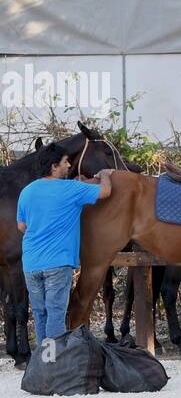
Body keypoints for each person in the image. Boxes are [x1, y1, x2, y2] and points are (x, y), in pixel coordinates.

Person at [16, 143, 113, 344]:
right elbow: (105, 192)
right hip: (57, 264)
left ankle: (44, 359)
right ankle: (56, 362)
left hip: (31, 264)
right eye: (65, 162)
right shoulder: (71, 189)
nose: (69, 165)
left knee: (40, 314)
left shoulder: (27, 191)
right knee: (56, 315)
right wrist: (105, 174)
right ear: (54, 166)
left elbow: (21, 226)